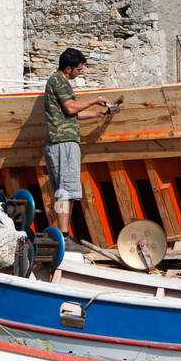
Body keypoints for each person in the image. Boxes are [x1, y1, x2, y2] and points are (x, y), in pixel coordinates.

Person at [44, 47, 114, 237]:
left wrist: (97, 114)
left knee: (67, 191)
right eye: (79, 69)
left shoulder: (59, 81)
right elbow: (70, 107)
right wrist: (94, 100)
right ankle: (64, 236)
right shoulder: (58, 81)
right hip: (63, 143)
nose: (80, 72)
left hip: (63, 142)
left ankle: (63, 234)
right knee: (65, 191)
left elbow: (72, 113)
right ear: (68, 69)